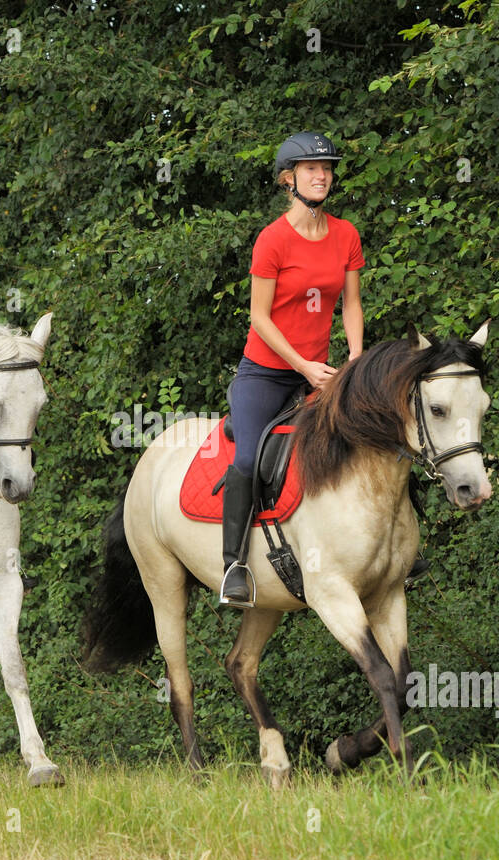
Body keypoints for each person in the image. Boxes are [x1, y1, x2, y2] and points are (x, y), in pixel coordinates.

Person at [220, 131, 365, 607]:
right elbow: (259, 317)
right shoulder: (273, 240)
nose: (322, 175)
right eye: (311, 169)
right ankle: (234, 566)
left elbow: (350, 304)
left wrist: (356, 365)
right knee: (246, 460)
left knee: (373, 432)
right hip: (267, 371)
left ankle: (390, 553)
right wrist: (304, 365)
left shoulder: (346, 234)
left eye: (326, 168)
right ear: (289, 179)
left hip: (322, 370)